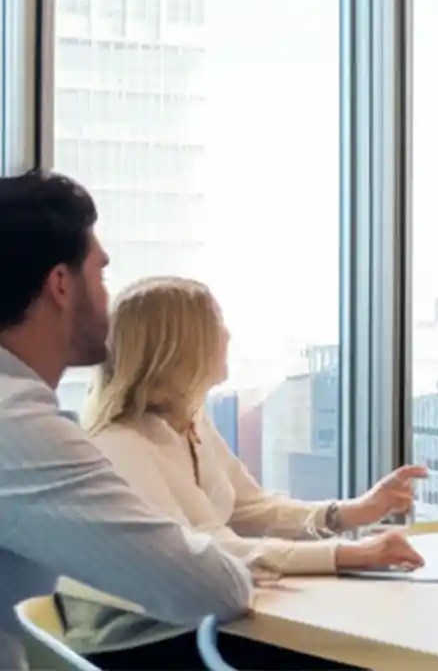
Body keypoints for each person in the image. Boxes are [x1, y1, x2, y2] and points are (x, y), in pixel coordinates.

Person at [58, 275, 429, 668]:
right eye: (215, 324)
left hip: (204, 620)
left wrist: (348, 513)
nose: (228, 335)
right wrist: (345, 554)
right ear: (178, 348)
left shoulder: (191, 421)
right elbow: (201, 554)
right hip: (145, 640)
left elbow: (250, 509)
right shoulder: (117, 445)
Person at [0, 170, 253, 671]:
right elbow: (210, 588)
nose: (109, 299)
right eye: (100, 274)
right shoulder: (18, 426)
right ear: (60, 284)